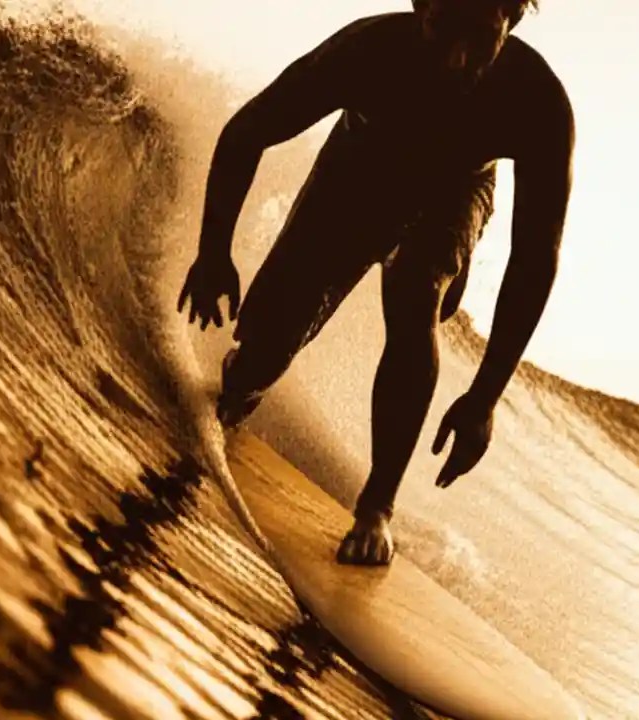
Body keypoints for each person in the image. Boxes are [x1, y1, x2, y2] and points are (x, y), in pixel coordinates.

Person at [177, 0, 574, 566]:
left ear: (510, 18)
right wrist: (213, 251)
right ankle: (239, 396)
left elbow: (536, 257)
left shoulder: (536, 102)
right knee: (265, 347)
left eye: (481, 36)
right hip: (359, 166)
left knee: (416, 287)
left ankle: (376, 508)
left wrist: (484, 397)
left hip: (457, 192)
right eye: (445, 30)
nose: (457, 60)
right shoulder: (367, 51)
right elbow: (248, 131)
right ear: (422, 5)